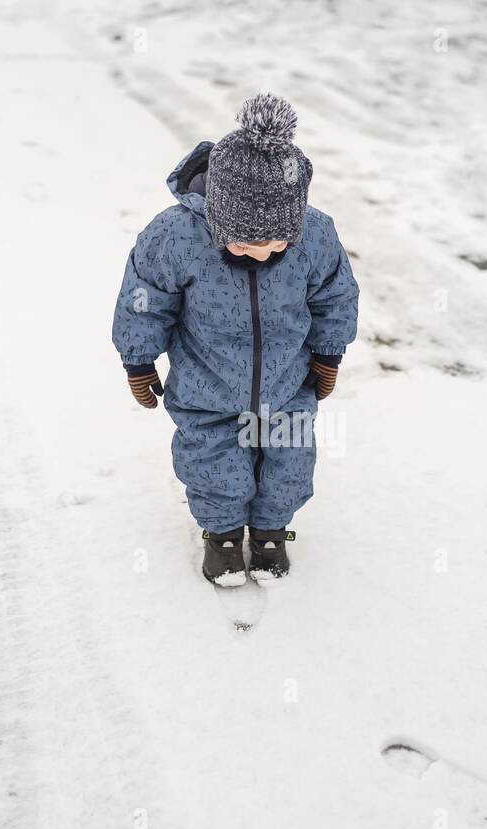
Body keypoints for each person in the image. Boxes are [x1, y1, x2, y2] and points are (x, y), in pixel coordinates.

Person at [112, 93, 359, 586]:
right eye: (244, 242)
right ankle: (222, 535)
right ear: (217, 220)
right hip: (207, 388)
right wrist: (138, 361)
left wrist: (330, 354)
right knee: (212, 463)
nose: (262, 254)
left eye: (275, 243)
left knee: (289, 462)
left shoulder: (316, 235)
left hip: (289, 384)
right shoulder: (175, 236)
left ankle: (271, 530)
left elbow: (335, 296)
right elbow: (144, 297)